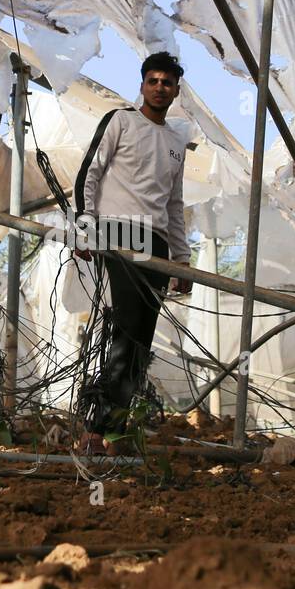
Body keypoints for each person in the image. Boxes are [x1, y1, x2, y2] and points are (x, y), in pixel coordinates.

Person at [72, 51, 193, 455]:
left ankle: (115, 430)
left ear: (176, 91)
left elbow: (174, 204)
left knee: (141, 338)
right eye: (153, 81)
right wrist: (85, 227)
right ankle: (95, 428)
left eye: (168, 83)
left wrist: (182, 260)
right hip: (120, 232)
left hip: (157, 243)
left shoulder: (177, 140)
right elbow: (89, 172)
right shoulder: (121, 121)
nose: (160, 88)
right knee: (125, 328)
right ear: (142, 85)